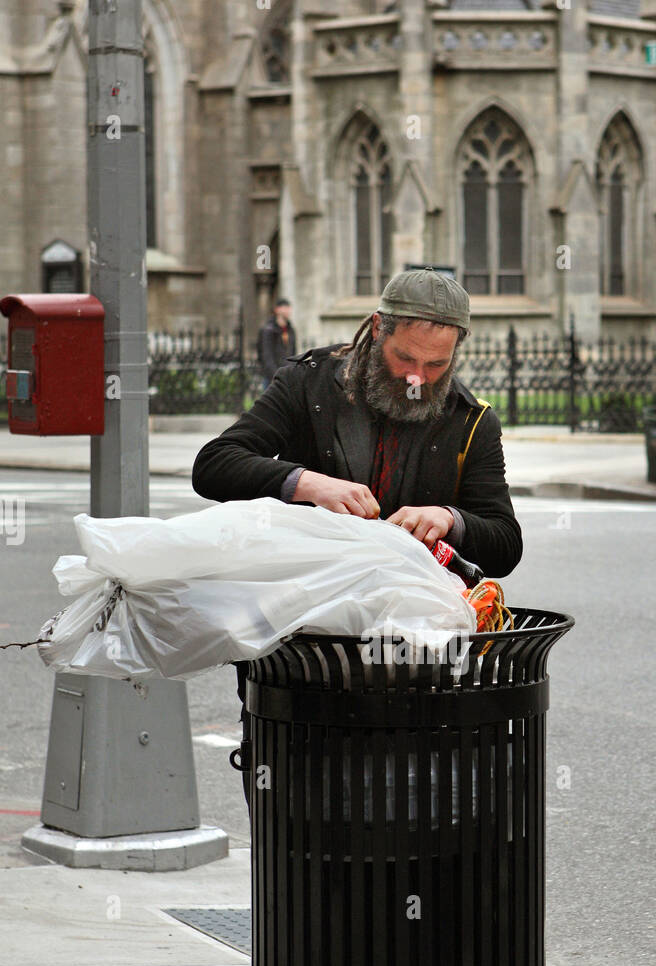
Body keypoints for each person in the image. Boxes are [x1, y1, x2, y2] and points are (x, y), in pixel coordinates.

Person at [192, 266, 522, 804]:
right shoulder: (308, 384)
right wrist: (302, 482)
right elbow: (214, 465)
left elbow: (505, 542)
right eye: (406, 359)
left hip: (417, 668)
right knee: (299, 821)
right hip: (305, 653)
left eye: (437, 365)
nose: (419, 376)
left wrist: (448, 518)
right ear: (376, 329)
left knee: (407, 821)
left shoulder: (470, 422)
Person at [257, 297, 296, 390]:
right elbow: (266, 356)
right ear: (277, 310)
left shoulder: (291, 330)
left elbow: (293, 354)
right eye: (285, 307)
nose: (288, 310)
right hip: (272, 378)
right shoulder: (268, 330)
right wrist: (276, 376)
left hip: (287, 377)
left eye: (288, 308)